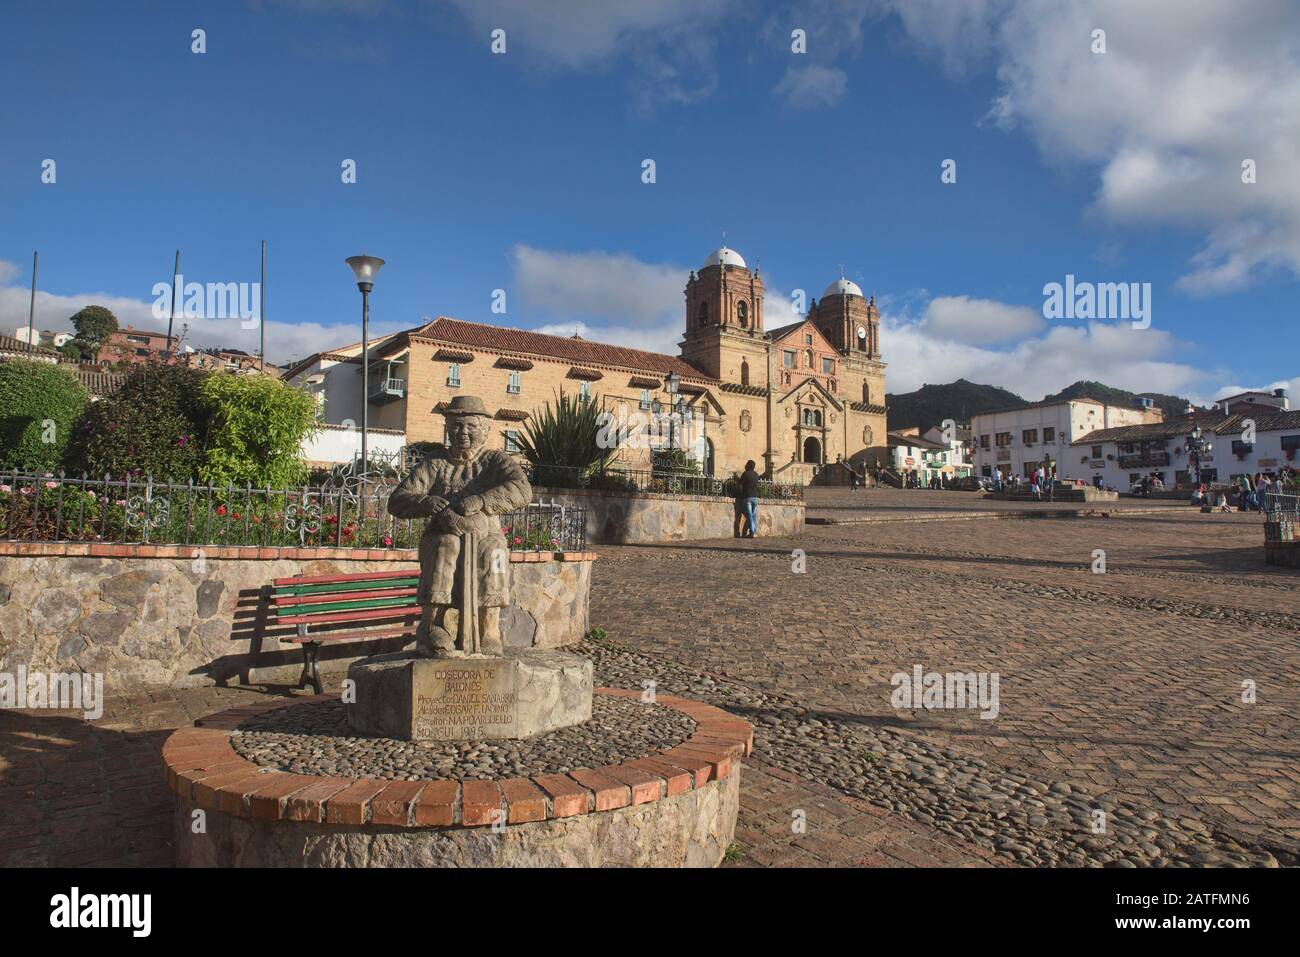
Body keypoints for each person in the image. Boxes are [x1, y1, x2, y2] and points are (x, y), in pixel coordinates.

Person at [387, 395, 533, 657]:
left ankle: (489, 628)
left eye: (470, 426)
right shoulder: (434, 463)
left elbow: (522, 489)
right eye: (456, 426)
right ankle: (433, 625)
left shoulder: (495, 461)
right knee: (446, 545)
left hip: (485, 533)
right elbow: (398, 500)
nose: (462, 433)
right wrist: (425, 501)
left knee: (494, 552)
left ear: (485, 429)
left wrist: (482, 500)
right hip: (443, 533)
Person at [740, 460, 760, 537]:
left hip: (747, 497)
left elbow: (740, 483)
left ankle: (752, 532)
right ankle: (753, 531)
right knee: (753, 516)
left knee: (749, 516)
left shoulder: (745, 474)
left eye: (746, 464)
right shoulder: (756, 474)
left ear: (748, 465)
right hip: (755, 497)